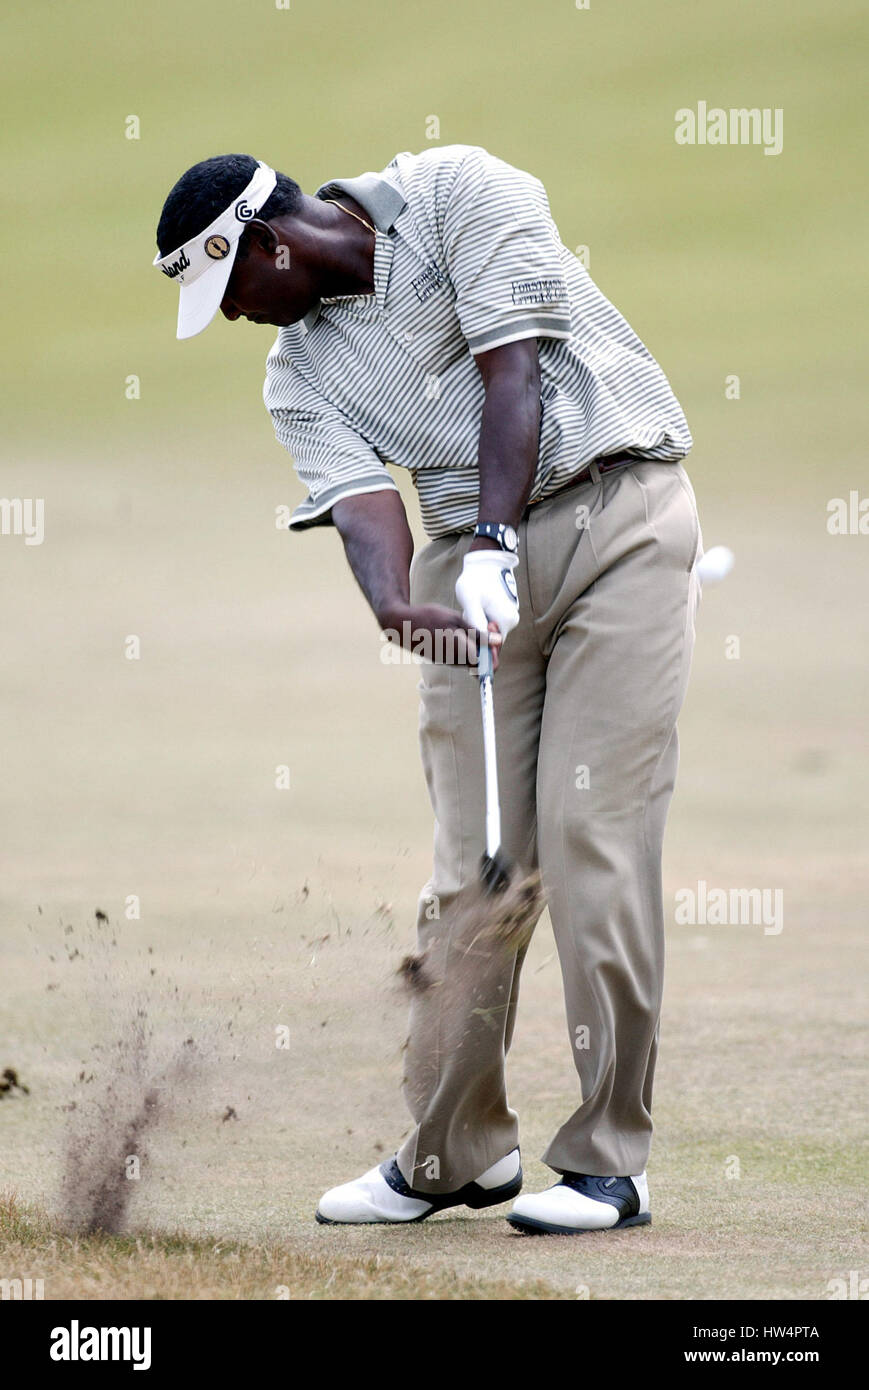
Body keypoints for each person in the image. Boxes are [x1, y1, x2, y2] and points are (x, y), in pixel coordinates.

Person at [153, 144, 702, 1234]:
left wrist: (498, 534)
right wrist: (396, 604)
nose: (232, 318)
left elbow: (515, 369)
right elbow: (363, 507)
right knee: (473, 872)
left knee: (590, 837)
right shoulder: (296, 370)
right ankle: (455, 1153)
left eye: (230, 292)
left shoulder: (460, 191)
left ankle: (607, 1161)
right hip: (467, 573)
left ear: (269, 244)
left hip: (618, 518)